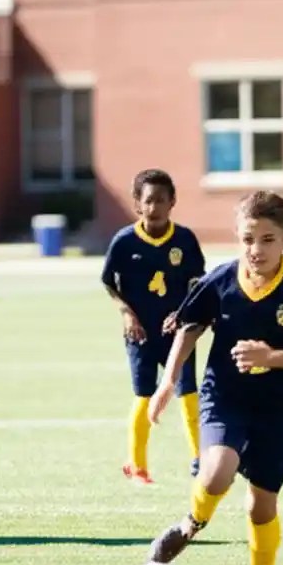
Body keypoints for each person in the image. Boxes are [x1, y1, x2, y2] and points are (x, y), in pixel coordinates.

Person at [145, 191, 283, 565]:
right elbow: (191, 326)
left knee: (261, 504)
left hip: (279, 411)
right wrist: (169, 380)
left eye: (268, 240)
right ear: (238, 236)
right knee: (216, 471)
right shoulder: (221, 279)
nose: (256, 249)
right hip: (224, 398)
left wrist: (270, 357)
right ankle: (190, 525)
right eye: (248, 239)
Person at [101, 169, 206, 483]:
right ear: (138, 204)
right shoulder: (124, 242)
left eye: (162, 200)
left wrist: (185, 313)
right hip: (141, 334)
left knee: (189, 394)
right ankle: (137, 465)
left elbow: (197, 282)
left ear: (172, 202)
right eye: (149, 200)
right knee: (144, 396)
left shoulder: (184, 239)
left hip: (178, 333)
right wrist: (127, 314)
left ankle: (200, 458)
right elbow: (109, 282)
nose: (155, 206)